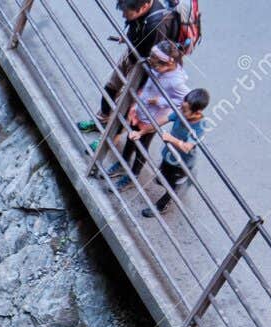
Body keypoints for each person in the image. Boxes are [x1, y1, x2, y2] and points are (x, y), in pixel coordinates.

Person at [78, 0, 181, 137]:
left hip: (142, 66)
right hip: (131, 52)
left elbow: (155, 60)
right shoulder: (140, 11)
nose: (123, 15)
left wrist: (143, 85)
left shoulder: (157, 26)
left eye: (126, 12)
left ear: (143, 7)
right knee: (110, 88)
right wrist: (128, 38)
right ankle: (102, 119)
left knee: (123, 106)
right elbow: (135, 26)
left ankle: (108, 138)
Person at [104, 42, 189, 188]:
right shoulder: (158, 68)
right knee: (131, 138)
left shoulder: (176, 82)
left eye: (156, 64)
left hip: (151, 119)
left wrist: (160, 101)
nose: (153, 67)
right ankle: (123, 162)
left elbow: (184, 101)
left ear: (167, 64)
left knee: (141, 147)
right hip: (139, 109)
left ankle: (133, 175)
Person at [143, 88, 210, 217]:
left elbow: (187, 147)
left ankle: (161, 206)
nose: (181, 111)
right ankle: (184, 180)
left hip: (181, 163)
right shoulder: (181, 113)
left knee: (172, 187)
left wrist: (171, 139)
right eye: (181, 108)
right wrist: (142, 131)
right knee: (162, 178)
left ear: (198, 112)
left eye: (185, 110)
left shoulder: (200, 127)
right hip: (168, 155)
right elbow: (163, 120)